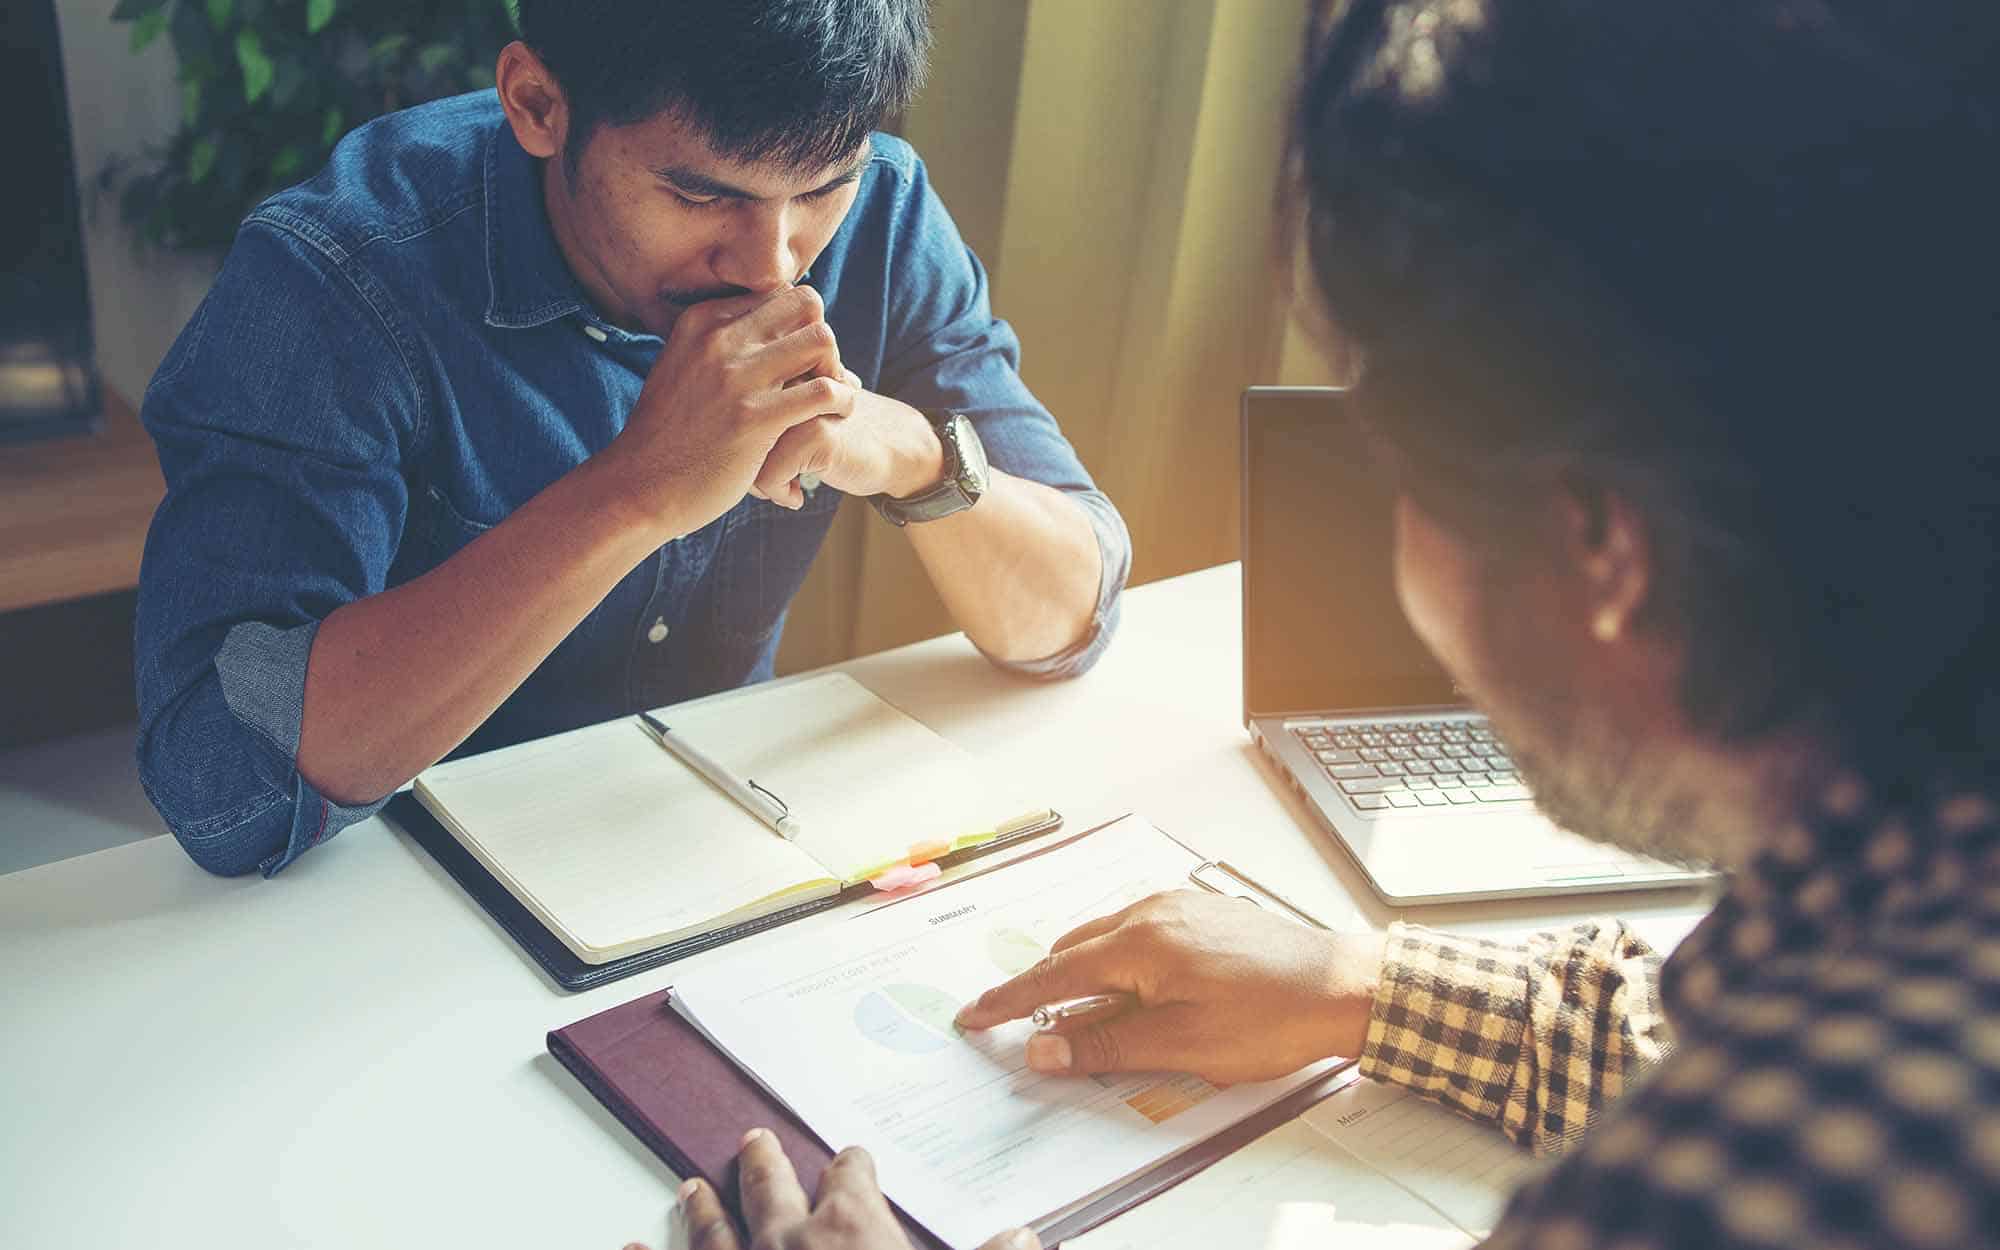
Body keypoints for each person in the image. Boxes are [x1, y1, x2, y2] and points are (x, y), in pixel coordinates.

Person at [661, 0, 2000, 1246]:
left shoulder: (1713, 1186)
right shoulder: (1889, 919)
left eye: (1397, 468)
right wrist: (1371, 986)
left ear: (1603, 549)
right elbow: (1684, 1030)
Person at [134, 0, 1129, 878]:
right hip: (392, 884)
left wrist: (908, 454)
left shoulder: (887, 212)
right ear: (535, 103)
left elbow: (1072, 616)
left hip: (721, 851)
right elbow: (223, 782)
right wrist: (633, 494)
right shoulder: (339, 274)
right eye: (702, 196)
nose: (770, 264)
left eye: (821, 187)